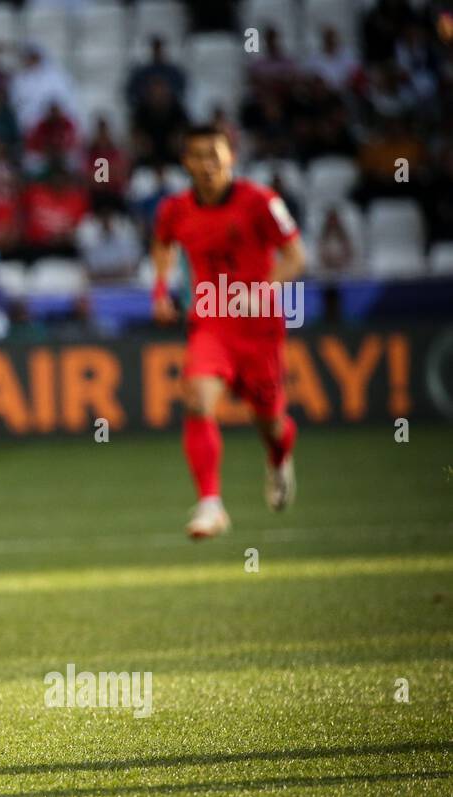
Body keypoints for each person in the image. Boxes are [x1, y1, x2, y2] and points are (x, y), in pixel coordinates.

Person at [150, 124, 306, 539]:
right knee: (198, 399)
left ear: (231, 158)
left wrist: (265, 290)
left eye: (214, 155)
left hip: (259, 328)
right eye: (197, 156)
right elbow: (163, 243)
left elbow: (295, 256)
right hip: (211, 321)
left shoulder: (261, 202)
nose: (207, 165)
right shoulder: (174, 209)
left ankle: (278, 458)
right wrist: (161, 291)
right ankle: (211, 504)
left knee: (269, 421)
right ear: (186, 162)